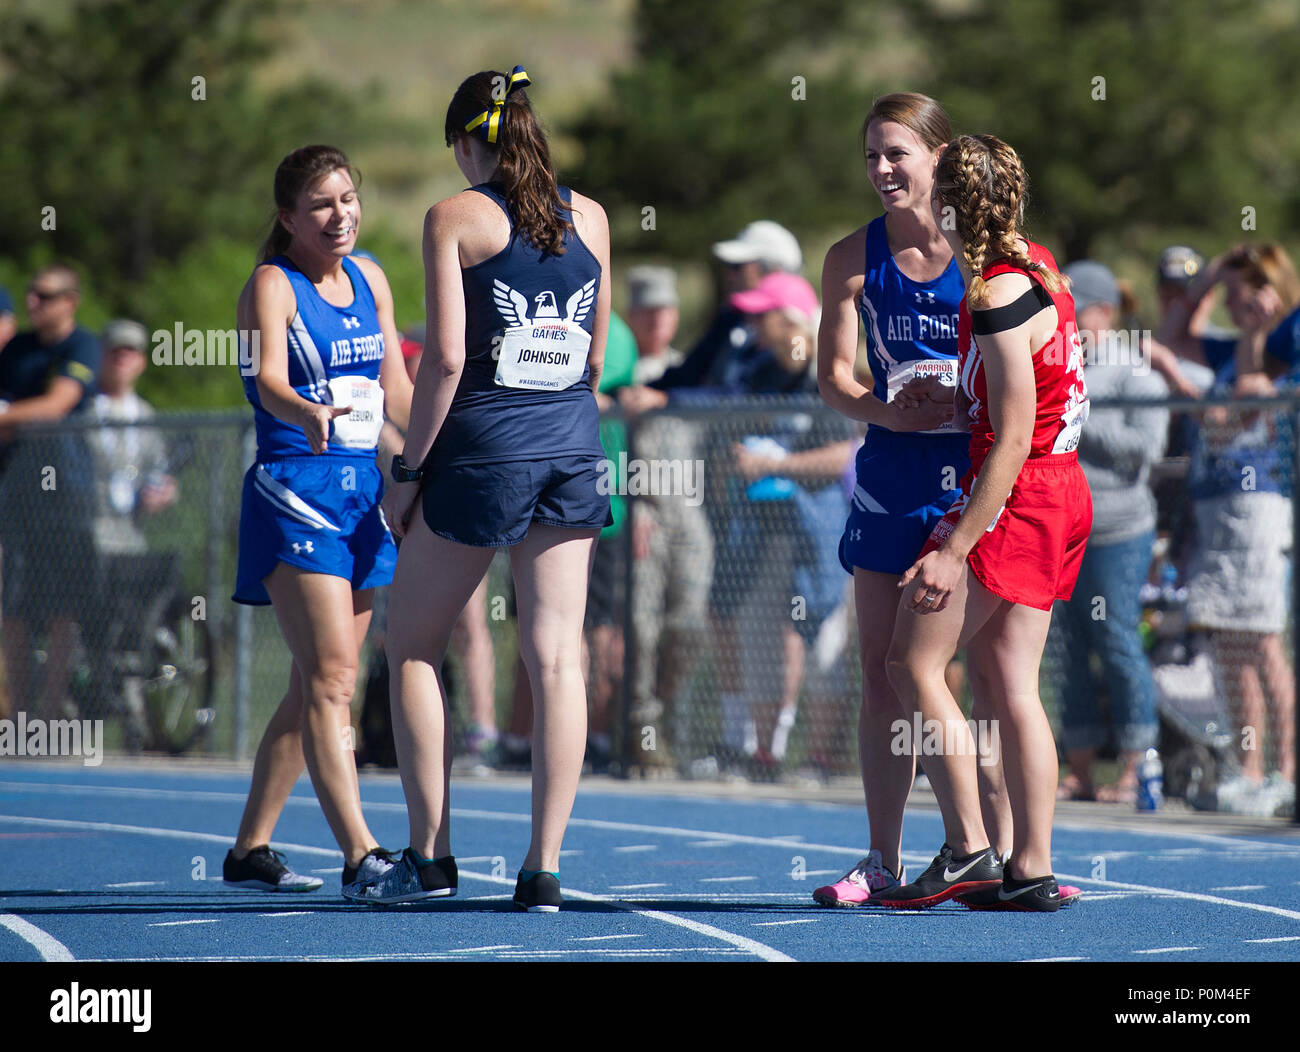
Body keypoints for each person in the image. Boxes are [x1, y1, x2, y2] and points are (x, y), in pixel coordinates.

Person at [366, 67, 612, 912]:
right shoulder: (596, 218)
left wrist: (407, 475)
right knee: (556, 657)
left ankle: (431, 857)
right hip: (573, 448)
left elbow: (442, 360)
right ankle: (542, 866)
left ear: (469, 141)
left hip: (482, 454)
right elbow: (593, 357)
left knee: (411, 647)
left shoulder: (454, 217)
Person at [872, 133, 1092, 912]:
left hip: (1021, 494)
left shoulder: (996, 292)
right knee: (1008, 683)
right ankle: (1030, 865)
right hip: (1056, 489)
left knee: (911, 663)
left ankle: (968, 845)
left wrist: (953, 549)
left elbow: (1018, 430)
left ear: (951, 206)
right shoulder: (1040, 267)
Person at [811, 93, 1004, 907]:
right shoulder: (850, 259)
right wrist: (888, 409)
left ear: (939, 154)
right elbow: (833, 379)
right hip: (889, 482)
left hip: (973, 486)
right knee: (882, 676)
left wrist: (975, 407)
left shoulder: (987, 258)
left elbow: (1027, 367)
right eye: (872, 157)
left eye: (898, 154)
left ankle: (1007, 856)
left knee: (980, 674)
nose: (883, 170)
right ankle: (881, 859)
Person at [224, 143, 413, 899]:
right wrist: (306, 409)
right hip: (293, 489)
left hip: (360, 494)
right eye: (322, 206)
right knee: (334, 678)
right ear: (288, 218)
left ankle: (248, 850)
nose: (341, 216)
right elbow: (264, 377)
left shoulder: (369, 276)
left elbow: (395, 381)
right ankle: (362, 857)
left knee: (317, 681)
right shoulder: (272, 284)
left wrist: (437, 446)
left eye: (347, 199)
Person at [1179, 245, 1298, 814]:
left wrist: (1258, 328)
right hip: (1218, 507)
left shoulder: (1282, 347)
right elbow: (1181, 327)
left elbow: (1242, 410)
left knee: (1264, 640)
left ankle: (1285, 772)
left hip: (1259, 505)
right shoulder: (1234, 348)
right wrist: (1217, 269)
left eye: (1242, 296)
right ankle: (1250, 770)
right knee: (1231, 639)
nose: (1232, 305)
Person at [1052, 263, 1167, 803]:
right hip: (1061, 529)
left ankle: (1135, 772)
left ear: (1099, 312)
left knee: (1118, 643)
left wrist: (1076, 410)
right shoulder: (1054, 360)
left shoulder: (1135, 373)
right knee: (1067, 649)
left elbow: (1146, 451)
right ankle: (1078, 770)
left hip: (1119, 531)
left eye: (1071, 309)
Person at [0, 263, 101, 720]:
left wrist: (8, 418)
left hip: (67, 494)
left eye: (44, 295)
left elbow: (57, 405)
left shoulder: (81, 345)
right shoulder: (16, 349)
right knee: (16, 606)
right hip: (17, 491)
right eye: (30, 293)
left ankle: (52, 714)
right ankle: (21, 716)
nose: (32, 303)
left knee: (62, 606)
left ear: (70, 301)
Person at [83, 319, 179, 748]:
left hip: (130, 538)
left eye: (131, 353)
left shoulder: (146, 418)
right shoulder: (83, 413)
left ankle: (137, 703)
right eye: (114, 351)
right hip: (88, 535)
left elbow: (161, 474)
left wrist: (164, 492)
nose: (122, 360)